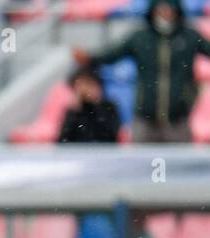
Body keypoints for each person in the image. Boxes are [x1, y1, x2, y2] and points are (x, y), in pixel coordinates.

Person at [74, 0, 210, 143]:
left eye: (169, 10)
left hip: (177, 119)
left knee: (179, 162)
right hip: (145, 119)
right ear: (153, 11)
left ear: (177, 11)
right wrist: (90, 58)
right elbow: (112, 54)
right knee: (140, 162)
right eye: (160, 10)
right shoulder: (140, 38)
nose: (165, 15)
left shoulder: (190, 37)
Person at [58, 67, 122, 143]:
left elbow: (112, 135)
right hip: (78, 152)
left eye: (89, 84)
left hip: (103, 152)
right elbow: (63, 139)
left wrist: (97, 103)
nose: (86, 89)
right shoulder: (73, 109)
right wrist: (75, 110)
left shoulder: (109, 106)